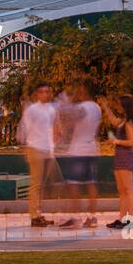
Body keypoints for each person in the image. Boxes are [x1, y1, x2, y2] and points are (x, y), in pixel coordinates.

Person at [58, 79, 101, 229]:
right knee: (91, 183)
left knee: (73, 184)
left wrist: (63, 101)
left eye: (80, 89)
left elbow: (70, 118)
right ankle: (92, 217)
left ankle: (76, 217)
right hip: (92, 149)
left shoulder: (83, 108)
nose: (77, 92)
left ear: (85, 90)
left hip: (78, 150)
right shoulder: (97, 107)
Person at [19, 83, 61, 228]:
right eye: (42, 92)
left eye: (47, 91)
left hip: (48, 149)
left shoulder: (51, 109)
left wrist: (53, 145)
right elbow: (25, 128)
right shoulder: (32, 110)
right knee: (36, 184)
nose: (45, 94)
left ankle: (39, 213)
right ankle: (33, 215)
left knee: (42, 185)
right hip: (35, 148)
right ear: (37, 94)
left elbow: (53, 129)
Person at [101, 94, 133, 231]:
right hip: (119, 157)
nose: (117, 106)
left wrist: (116, 141)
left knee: (129, 190)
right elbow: (113, 120)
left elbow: (132, 141)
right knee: (122, 191)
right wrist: (106, 107)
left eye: (119, 104)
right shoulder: (122, 121)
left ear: (125, 107)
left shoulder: (128, 123)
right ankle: (122, 219)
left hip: (126, 157)